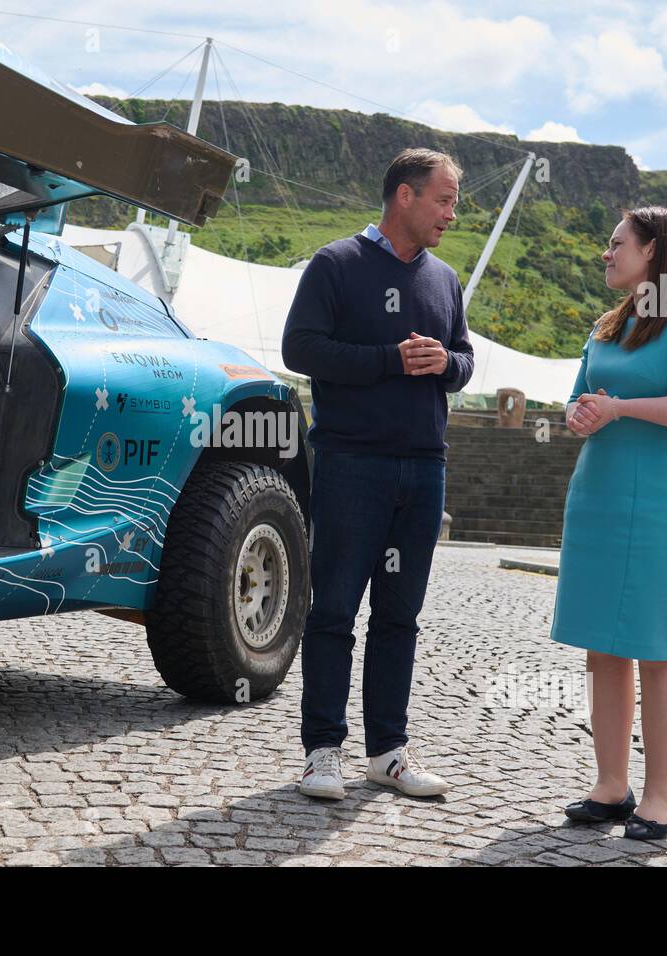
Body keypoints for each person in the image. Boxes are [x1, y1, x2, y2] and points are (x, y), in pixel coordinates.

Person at [281, 147, 475, 800]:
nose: (452, 213)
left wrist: (445, 363)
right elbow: (300, 348)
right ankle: (322, 753)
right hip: (351, 464)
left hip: (425, 468)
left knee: (401, 615)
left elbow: (466, 358)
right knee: (333, 609)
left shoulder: (445, 280)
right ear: (405, 197)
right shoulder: (336, 264)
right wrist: (391, 361)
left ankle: (388, 752)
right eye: (444, 199)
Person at [552, 205, 667, 840]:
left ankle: (658, 796)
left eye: (616, 243)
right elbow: (580, 397)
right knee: (604, 648)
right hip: (596, 495)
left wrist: (622, 406)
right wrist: (580, 414)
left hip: (658, 503)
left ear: (652, 250)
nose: (606, 253)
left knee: (657, 647)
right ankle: (610, 786)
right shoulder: (608, 324)